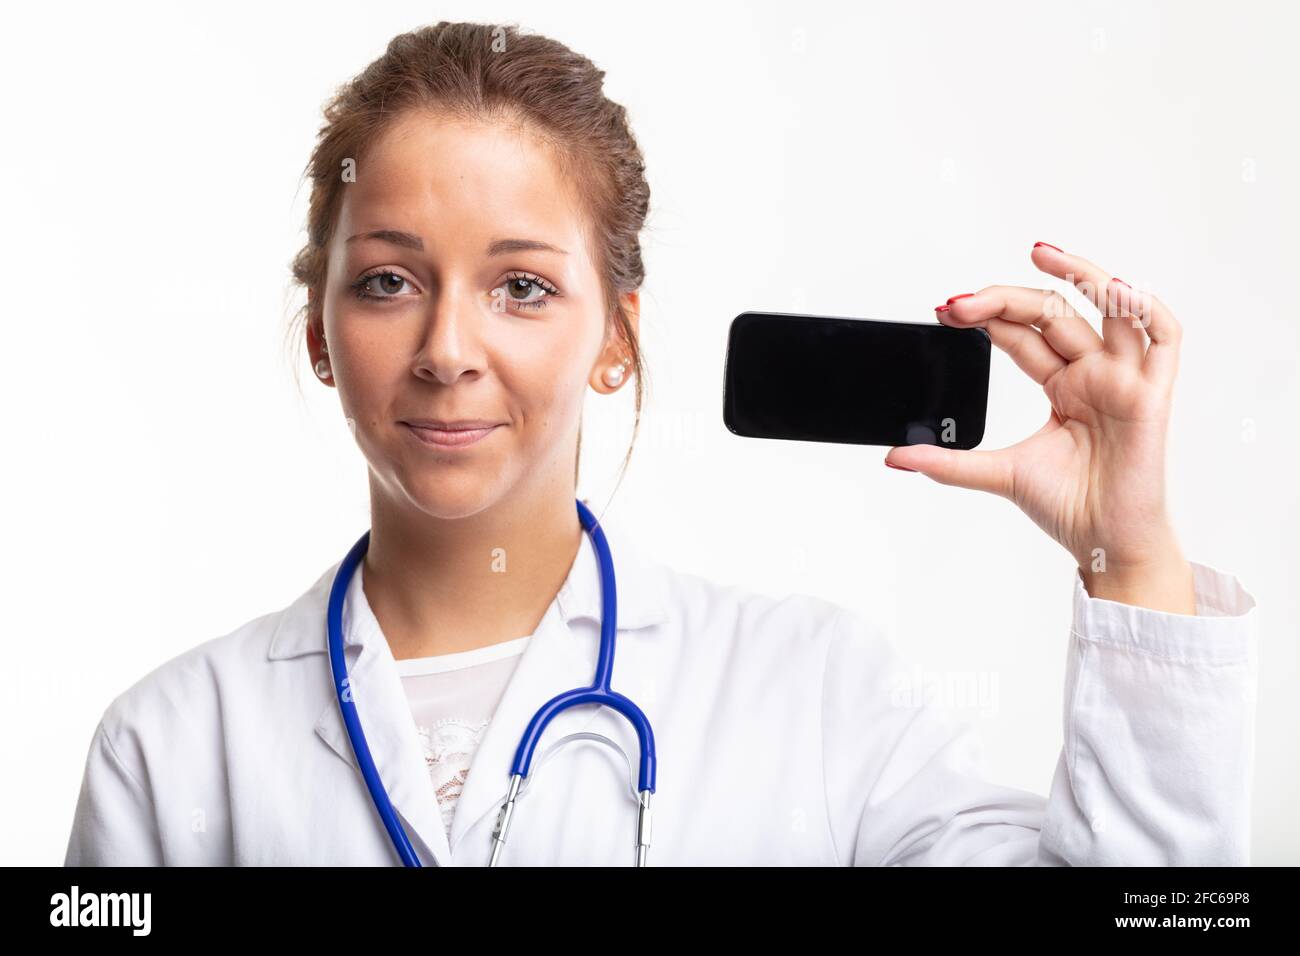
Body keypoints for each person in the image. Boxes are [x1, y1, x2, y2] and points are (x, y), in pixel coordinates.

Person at [64, 21, 1257, 867]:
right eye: (386, 280)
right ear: (321, 333)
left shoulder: (815, 697)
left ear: (614, 340)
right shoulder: (170, 750)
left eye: (521, 286)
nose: (445, 346)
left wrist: (1130, 556)